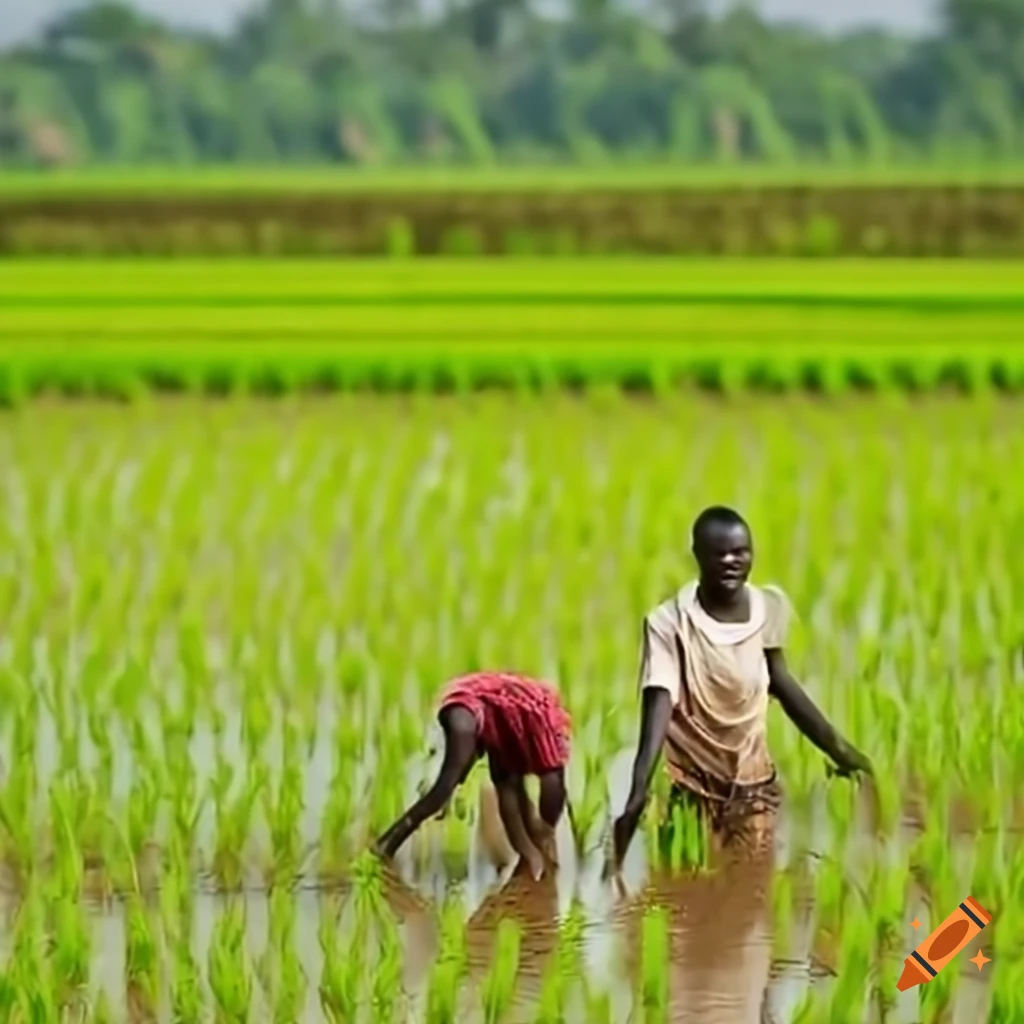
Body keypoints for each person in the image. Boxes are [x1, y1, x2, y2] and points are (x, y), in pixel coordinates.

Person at [611, 505, 872, 870]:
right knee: (690, 898)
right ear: (698, 556)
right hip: (693, 788)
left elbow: (781, 683)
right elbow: (658, 704)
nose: (732, 561)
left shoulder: (766, 609)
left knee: (749, 892)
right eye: (720, 553)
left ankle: (969, 920)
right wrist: (637, 794)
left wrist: (845, 753)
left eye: (741, 551)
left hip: (753, 786)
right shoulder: (670, 625)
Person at [375, 670, 571, 880]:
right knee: (441, 791)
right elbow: (553, 782)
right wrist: (547, 830)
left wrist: (530, 851)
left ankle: (527, 855)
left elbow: (509, 793)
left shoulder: (509, 731)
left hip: (463, 704)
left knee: (473, 785)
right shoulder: (545, 724)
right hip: (468, 710)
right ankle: (383, 847)